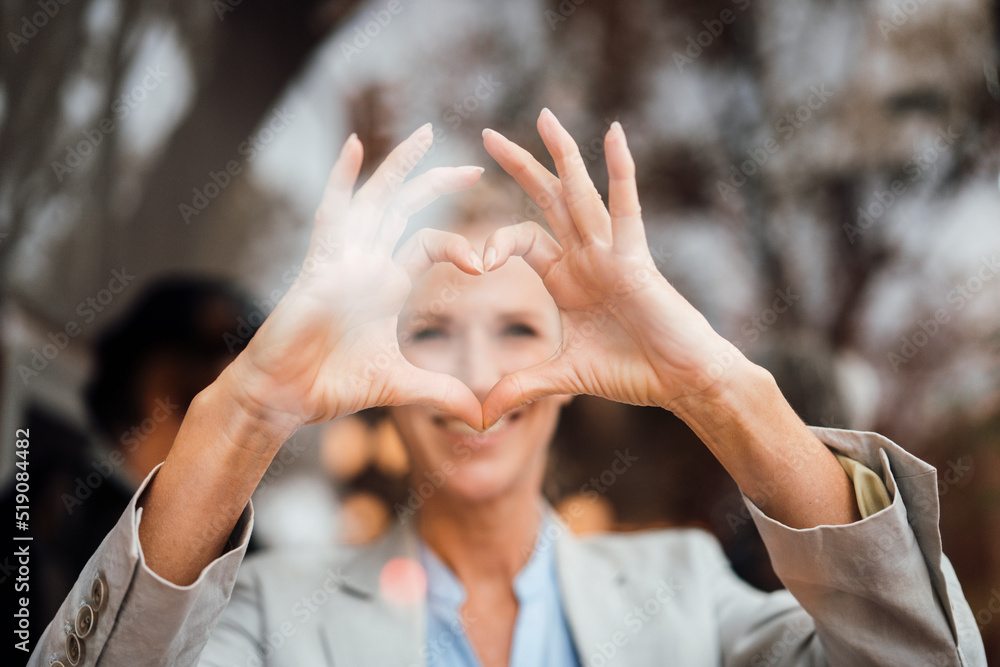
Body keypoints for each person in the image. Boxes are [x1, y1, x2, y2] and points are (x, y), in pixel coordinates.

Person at [28, 110, 985, 666]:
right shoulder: (273, 614)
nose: (478, 377)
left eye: (519, 333)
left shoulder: (688, 592)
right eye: (431, 335)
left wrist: (713, 383)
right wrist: (246, 407)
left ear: (573, 375)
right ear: (383, 383)